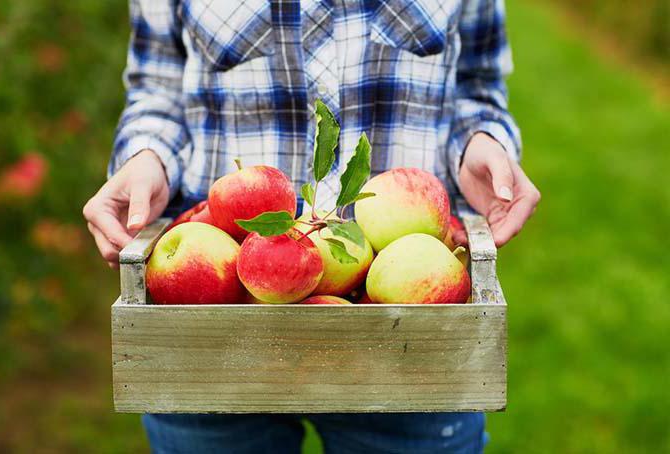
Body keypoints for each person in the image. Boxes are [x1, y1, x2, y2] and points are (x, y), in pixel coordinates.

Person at [83, 0, 540, 452]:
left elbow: (476, 82)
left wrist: (480, 140)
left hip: (410, 338)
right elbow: (158, 90)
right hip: (213, 325)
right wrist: (148, 157)